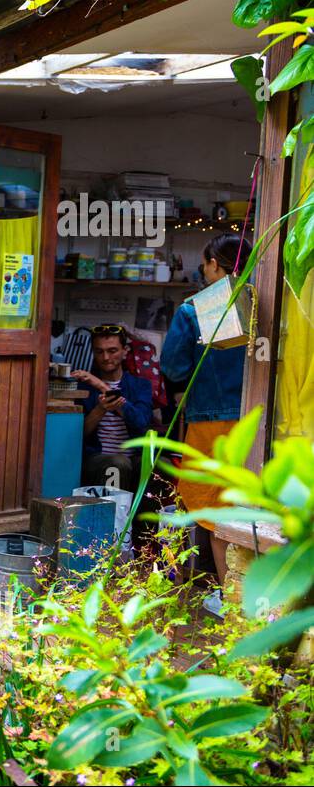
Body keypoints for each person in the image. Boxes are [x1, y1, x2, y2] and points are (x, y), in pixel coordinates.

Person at [161, 232, 253, 590]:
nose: (203, 272)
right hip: (259, 423)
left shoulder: (195, 309)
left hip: (211, 422)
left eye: (205, 265)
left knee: (215, 511)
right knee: (247, 511)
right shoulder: (267, 302)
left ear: (215, 265)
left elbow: (173, 368)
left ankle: (227, 595)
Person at [72, 324, 154, 492]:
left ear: (125, 351)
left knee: (159, 465)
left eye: (112, 351)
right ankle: (115, 518)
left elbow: (141, 424)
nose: (106, 357)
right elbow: (78, 435)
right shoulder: (84, 388)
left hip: (133, 456)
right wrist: (100, 409)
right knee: (118, 463)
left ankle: (145, 519)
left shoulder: (140, 386)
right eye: (99, 351)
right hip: (97, 458)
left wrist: (103, 387)